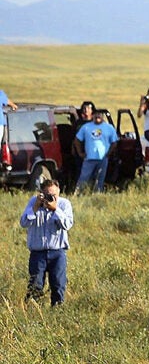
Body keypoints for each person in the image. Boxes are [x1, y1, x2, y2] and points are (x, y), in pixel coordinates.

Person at [19, 178, 72, 306]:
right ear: (41, 193)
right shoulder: (34, 202)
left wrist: (55, 209)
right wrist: (36, 207)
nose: (50, 197)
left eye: (53, 195)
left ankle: (57, 312)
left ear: (59, 192)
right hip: (38, 252)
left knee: (58, 285)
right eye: (47, 194)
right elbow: (24, 223)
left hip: (57, 252)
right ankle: (32, 311)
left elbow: (67, 225)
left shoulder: (64, 204)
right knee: (35, 286)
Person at [73, 109, 119, 192]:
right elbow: (77, 140)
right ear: (92, 115)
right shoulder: (86, 127)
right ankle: (79, 193)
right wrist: (80, 153)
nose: (98, 116)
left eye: (100, 114)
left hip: (103, 159)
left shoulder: (109, 127)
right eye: (96, 114)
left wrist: (109, 153)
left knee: (100, 179)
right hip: (89, 159)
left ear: (103, 116)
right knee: (84, 178)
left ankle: (97, 195)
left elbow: (114, 142)